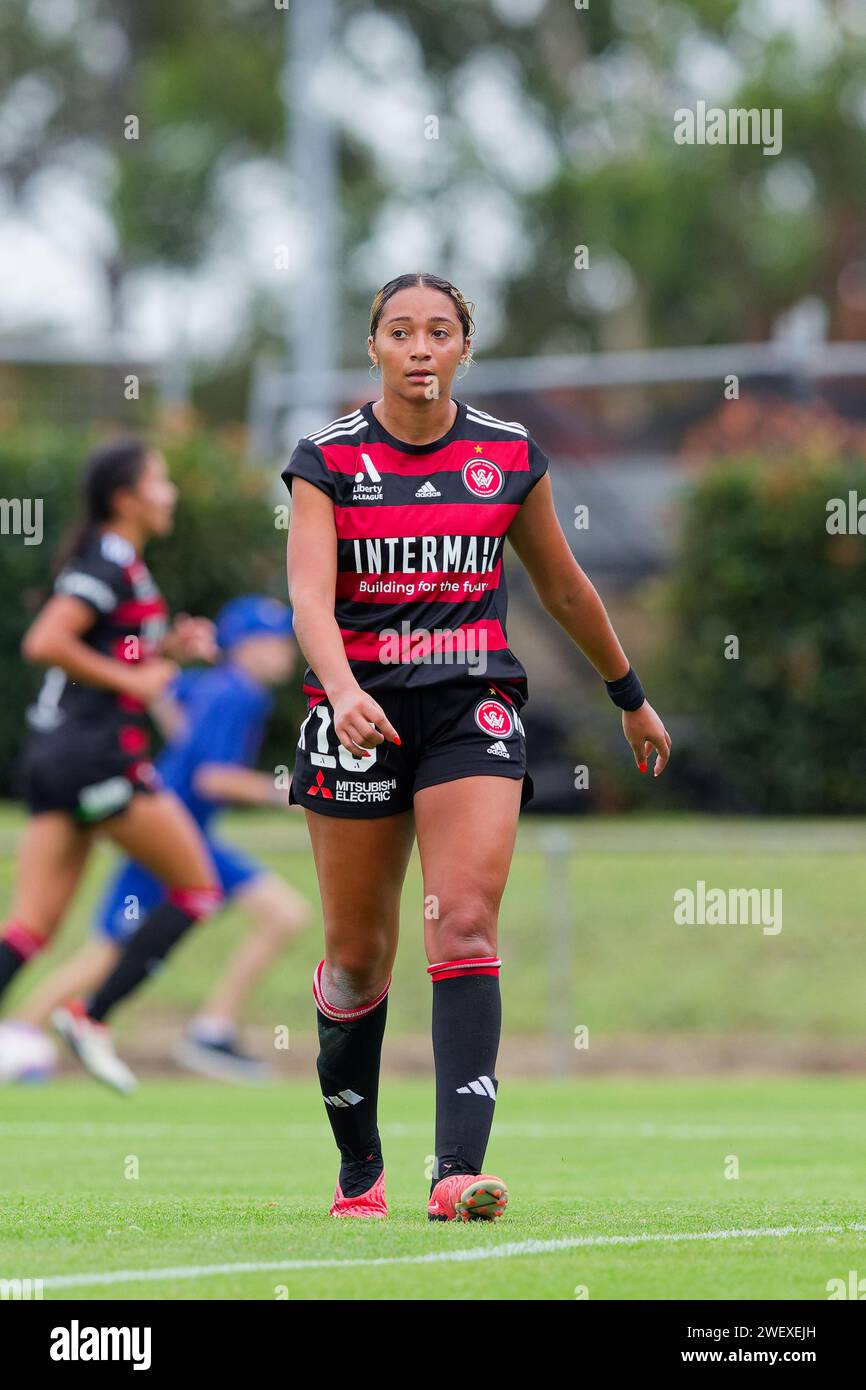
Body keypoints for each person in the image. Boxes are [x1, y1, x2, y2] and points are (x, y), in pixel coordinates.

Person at [283, 271, 672, 1222]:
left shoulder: (507, 455)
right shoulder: (325, 459)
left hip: (473, 709)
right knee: (357, 962)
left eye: (441, 331)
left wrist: (630, 695)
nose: (421, 347)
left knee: (462, 924)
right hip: (359, 716)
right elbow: (308, 600)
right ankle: (358, 1165)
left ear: (466, 347)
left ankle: (456, 1172)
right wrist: (341, 693)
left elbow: (567, 588)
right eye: (401, 332)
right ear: (372, 347)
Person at [15, 596, 311, 1087]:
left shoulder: (218, 687)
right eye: (275, 641)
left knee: (283, 914)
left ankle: (211, 1028)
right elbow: (212, 779)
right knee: (107, 950)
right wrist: (293, 791)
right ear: (245, 647)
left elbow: (165, 699)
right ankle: (21, 1032)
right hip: (172, 834)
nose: (286, 652)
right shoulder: (236, 693)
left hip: (192, 831)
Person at [0, 439, 222, 1092]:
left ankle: (87, 1017)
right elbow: (46, 641)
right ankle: (90, 1017)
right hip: (96, 760)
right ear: (125, 499)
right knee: (197, 889)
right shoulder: (107, 559)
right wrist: (141, 675)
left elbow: (118, 660)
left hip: (58, 760)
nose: (171, 492)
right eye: (160, 481)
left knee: (30, 928)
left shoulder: (125, 565)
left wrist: (170, 651)